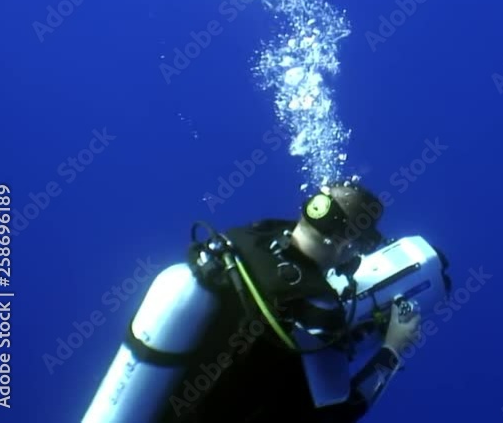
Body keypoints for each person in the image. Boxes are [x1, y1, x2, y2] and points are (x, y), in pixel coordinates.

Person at [85, 180, 428, 422]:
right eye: (361, 243)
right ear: (345, 242)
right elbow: (337, 412)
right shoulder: (317, 308)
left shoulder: (252, 237)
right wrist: (393, 349)